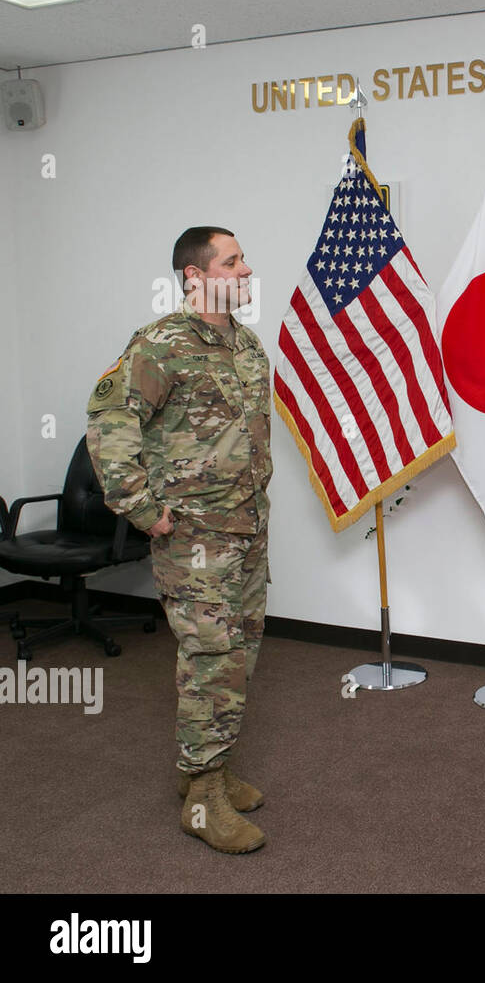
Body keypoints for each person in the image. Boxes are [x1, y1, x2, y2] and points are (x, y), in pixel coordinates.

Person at [86, 226, 273, 854]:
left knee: (239, 655)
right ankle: (203, 803)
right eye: (232, 260)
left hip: (247, 532)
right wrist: (142, 509)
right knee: (210, 663)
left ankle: (204, 770)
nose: (246, 268)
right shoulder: (160, 345)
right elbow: (110, 420)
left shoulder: (246, 346)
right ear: (195, 276)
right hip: (194, 540)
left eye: (243, 257)